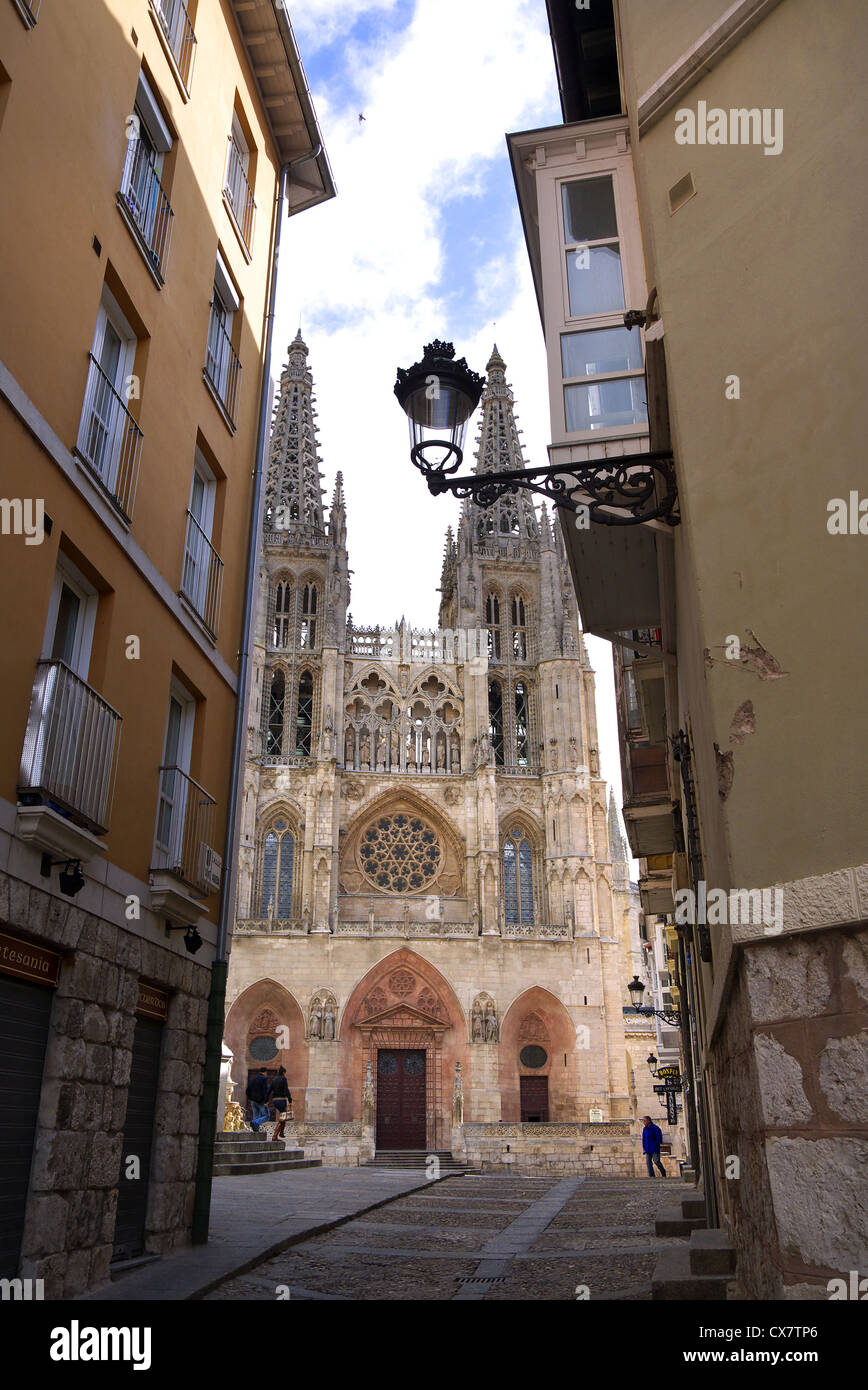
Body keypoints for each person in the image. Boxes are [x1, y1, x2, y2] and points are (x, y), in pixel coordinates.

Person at [268, 1066, 293, 1143]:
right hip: (281, 1100)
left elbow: (269, 1090)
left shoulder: (274, 1079)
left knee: (283, 1117)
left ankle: (281, 1133)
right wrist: (290, 1099)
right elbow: (286, 1089)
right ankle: (275, 1135)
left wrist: (266, 1100)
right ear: (283, 1072)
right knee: (283, 1119)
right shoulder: (283, 1079)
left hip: (275, 1100)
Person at [246, 1068, 270, 1133]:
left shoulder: (253, 1079)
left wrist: (250, 1098)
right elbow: (265, 1090)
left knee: (256, 1115)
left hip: (253, 1101)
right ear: (265, 1072)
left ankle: (255, 1131)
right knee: (267, 1116)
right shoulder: (264, 1079)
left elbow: (247, 1090)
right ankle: (254, 1122)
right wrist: (266, 1101)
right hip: (261, 1101)